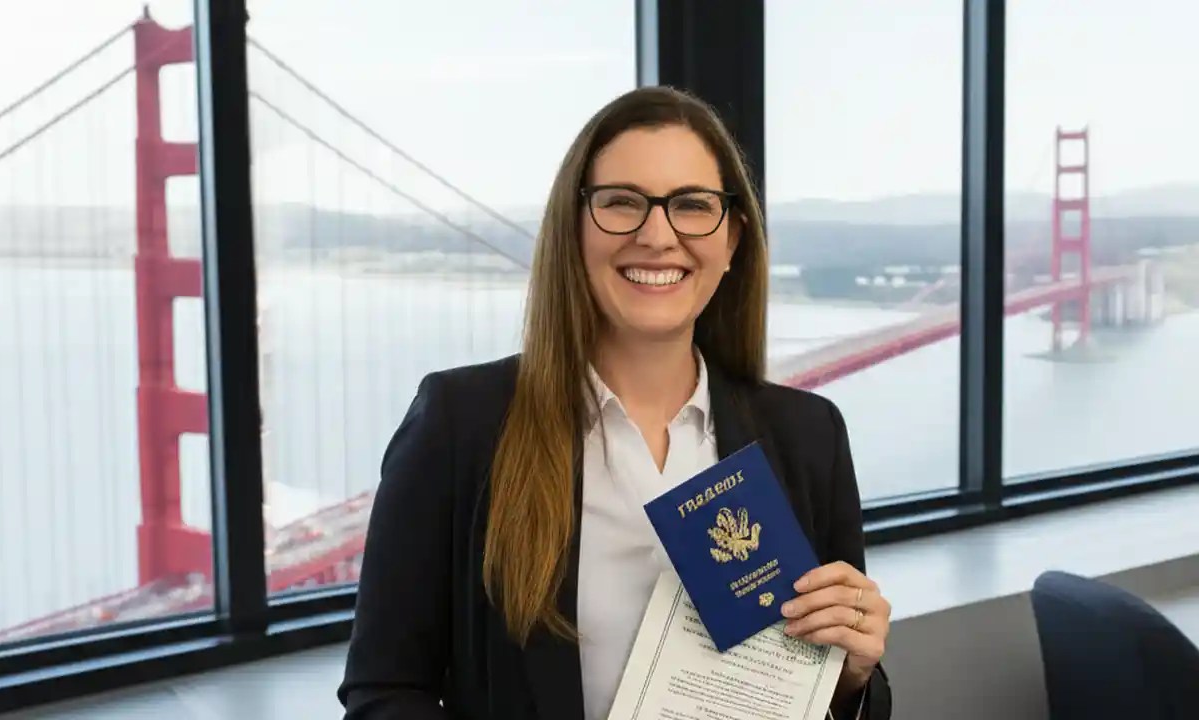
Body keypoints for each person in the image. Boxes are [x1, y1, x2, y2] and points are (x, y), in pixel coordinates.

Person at [337, 86, 892, 720]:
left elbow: (833, 701)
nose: (658, 235)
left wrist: (851, 675)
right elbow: (384, 693)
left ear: (733, 239)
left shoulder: (808, 435)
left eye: (692, 205)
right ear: (574, 230)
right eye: (622, 203)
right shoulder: (460, 423)